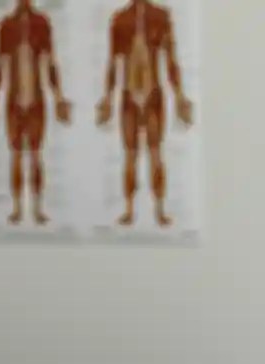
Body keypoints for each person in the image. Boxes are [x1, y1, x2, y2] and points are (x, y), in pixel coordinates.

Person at [97, 0, 192, 227]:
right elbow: (113, 62)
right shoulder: (120, 18)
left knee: (156, 153)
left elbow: (171, 61)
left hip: (153, 94)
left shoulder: (160, 16)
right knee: (130, 155)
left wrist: (179, 97)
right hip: (130, 95)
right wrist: (108, 98)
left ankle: (159, 209)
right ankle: (129, 209)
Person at [0, 0, 70, 226]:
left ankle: (38, 208)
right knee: (17, 155)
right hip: (13, 99)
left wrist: (58, 97)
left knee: (36, 154)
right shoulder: (6, 25)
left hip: (36, 98)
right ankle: (18, 208)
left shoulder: (42, 23)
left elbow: (50, 63)